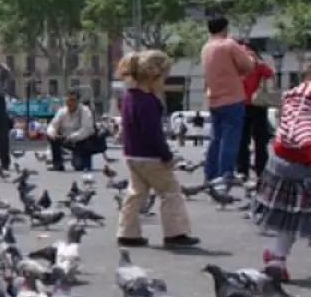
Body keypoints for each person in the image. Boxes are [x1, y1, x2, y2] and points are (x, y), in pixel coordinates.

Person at [115, 51, 199, 249]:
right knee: (170, 191)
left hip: (132, 154)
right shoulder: (149, 101)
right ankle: (175, 232)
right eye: (164, 78)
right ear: (154, 77)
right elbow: (153, 134)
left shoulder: (129, 98)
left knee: (136, 193)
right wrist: (167, 155)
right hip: (150, 156)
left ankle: (127, 232)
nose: (164, 83)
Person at [254, 67, 311, 281]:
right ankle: (276, 258)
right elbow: (303, 132)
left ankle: (276, 258)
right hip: (299, 163)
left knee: (288, 218)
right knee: (291, 217)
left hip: (286, 162)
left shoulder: (297, 94)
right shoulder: (306, 96)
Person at [200, 16, 254, 182]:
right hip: (232, 97)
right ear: (225, 28)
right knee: (231, 138)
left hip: (214, 98)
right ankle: (226, 173)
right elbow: (247, 65)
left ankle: (211, 173)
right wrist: (250, 57)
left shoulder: (206, 47)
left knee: (216, 138)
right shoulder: (229, 44)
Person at [237, 40, 275, 181]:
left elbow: (270, 75)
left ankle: (261, 169)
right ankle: (242, 170)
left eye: (247, 50)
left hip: (257, 105)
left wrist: (262, 87)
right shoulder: (239, 67)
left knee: (260, 139)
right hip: (241, 104)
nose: (245, 53)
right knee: (242, 140)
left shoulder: (260, 66)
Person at [46, 90, 99, 171]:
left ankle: (80, 158)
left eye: (73, 100)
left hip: (82, 141)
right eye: (68, 100)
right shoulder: (62, 111)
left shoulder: (85, 111)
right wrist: (53, 133)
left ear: (78, 101)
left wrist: (71, 137)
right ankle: (57, 164)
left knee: (80, 167)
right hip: (67, 140)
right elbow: (52, 125)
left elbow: (86, 130)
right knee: (52, 137)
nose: (70, 103)